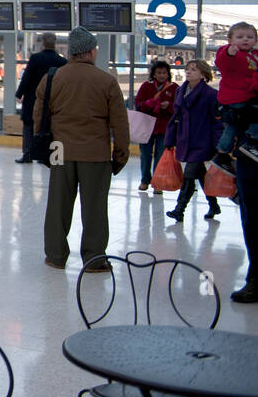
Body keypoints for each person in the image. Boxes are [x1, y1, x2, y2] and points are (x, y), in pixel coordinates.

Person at [36, 26, 129, 272]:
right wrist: (120, 154)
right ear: (90, 51)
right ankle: (94, 258)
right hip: (95, 153)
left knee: (57, 205)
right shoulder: (106, 80)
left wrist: (44, 147)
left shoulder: (53, 77)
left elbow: (39, 117)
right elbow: (119, 123)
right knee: (95, 208)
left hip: (59, 150)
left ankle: (55, 256)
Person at [164, 60, 223, 223]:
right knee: (200, 175)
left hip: (203, 141)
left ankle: (179, 210)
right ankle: (214, 205)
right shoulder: (180, 91)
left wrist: (218, 144)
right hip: (185, 138)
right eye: (187, 69)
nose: (189, 72)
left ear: (203, 74)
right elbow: (176, 117)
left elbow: (218, 122)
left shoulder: (211, 95)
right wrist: (170, 138)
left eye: (194, 70)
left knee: (189, 175)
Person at [211, 21, 258, 175]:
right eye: (240, 37)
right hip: (236, 97)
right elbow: (222, 61)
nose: (245, 39)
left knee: (232, 127)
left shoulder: (253, 54)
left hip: (247, 95)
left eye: (250, 37)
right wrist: (229, 52)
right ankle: (252, 140)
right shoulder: (231, 52)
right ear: (230, 40)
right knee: (251, 118)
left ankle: (222, 153)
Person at [14, 32, 66, 164]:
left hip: (33, 99)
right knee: (50, 126)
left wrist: (19, 94)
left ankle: (27, 154)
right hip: (54, 101)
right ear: (54, 44)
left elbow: (26, 78)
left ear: (42, 43)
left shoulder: (36, 58)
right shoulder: (62, 61)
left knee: (29, 126)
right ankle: (46, 155)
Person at [134, 60, 178, 193]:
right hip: (146, 126)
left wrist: (168, 106)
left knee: (160, 156)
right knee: (145, 155)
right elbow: (138, 104)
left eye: (164, 72)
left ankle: (157, 183)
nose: (162, 75)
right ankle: (145, 180)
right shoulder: (146, 86)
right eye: (159, 72)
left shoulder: (174, 88)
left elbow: (178, 107)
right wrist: (148, 104)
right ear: (153, 73)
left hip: (164, 127)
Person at [233, 151, 258, 303]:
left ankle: (255, 280)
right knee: (252, 218)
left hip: (250, 156)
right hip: (249, 156)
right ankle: (255, 278)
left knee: (252, 218)